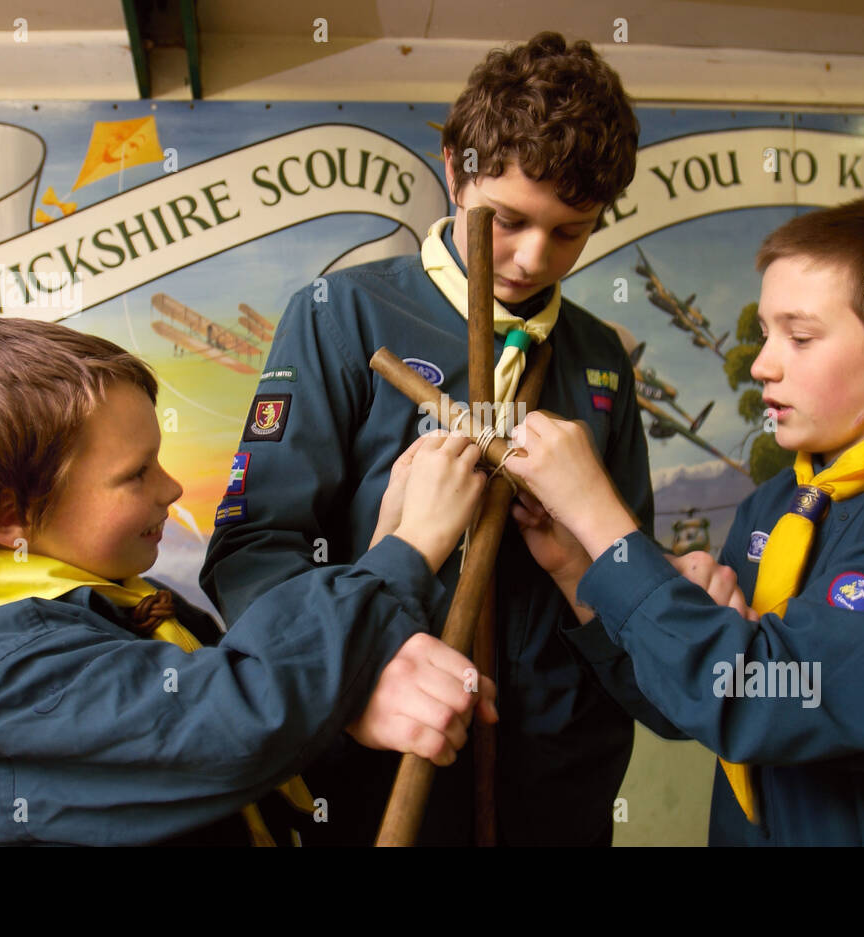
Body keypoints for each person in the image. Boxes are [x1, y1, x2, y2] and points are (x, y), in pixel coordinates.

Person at [202, 32, 655, 845]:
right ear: (454, 166)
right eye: (508, 219)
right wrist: (352, 681)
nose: (530, 257)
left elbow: (629, 569)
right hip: (384, 779)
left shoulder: (600, 361)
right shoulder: (341, 315)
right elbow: (255, 550)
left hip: (560, 794)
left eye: (570, 232)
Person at [505, 194, 864, 845]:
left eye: (801, 337)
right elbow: (696, 701)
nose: (761, 365)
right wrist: (580, 572)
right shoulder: (776, 504)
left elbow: (757, 699)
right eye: (764, 335)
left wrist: (601, 518)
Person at [0, 317, 494, 846]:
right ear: (10, 517)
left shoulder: (143, 614)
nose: (170, 488)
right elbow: (244, 721)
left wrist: (378, 563)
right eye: (137, 473)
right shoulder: (4, 675)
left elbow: (247, 757)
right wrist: (411, 549)